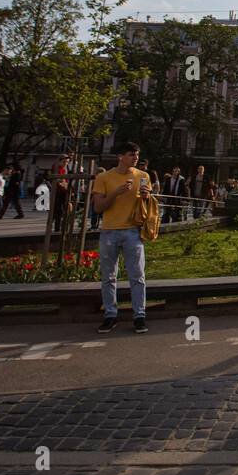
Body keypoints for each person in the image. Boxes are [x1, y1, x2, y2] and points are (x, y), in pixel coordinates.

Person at [90, 142, 152, 334]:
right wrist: (116, 193)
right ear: (120, 157)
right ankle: (110, 315)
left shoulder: (143, 176)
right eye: (131, 154)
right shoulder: (104, 177)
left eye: (137, 154)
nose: (135, 158)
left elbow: (147, 205)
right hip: (109, 230)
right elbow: (98, 208)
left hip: (133, 231)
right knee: (109, 276)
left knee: (137, 275)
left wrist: (147, 196)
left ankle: (139, 316)